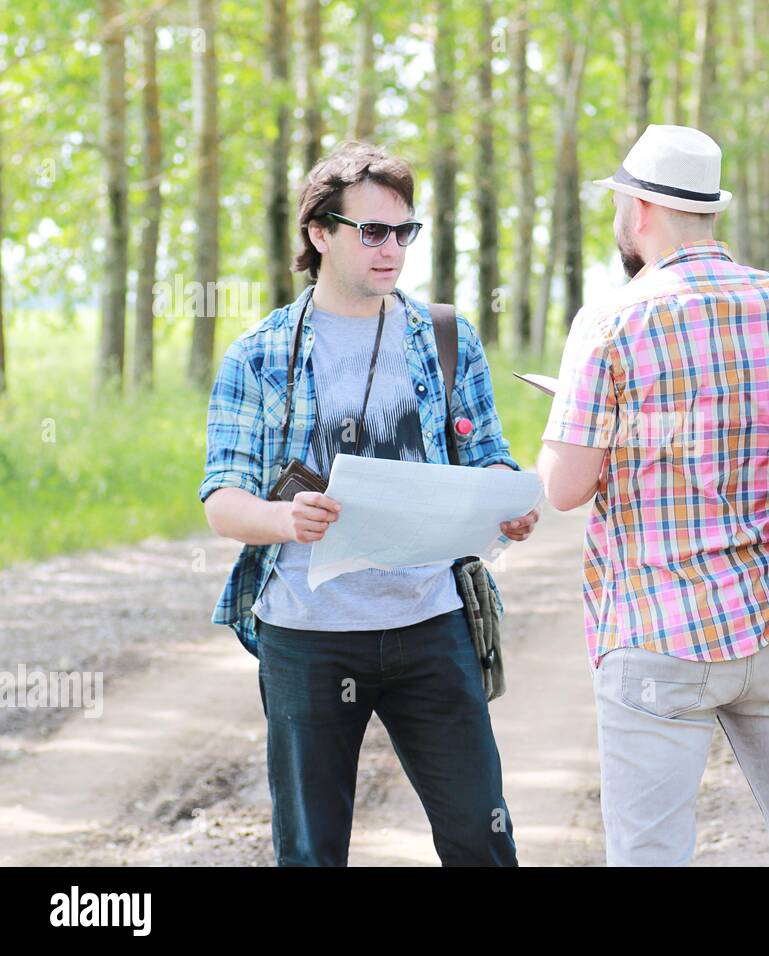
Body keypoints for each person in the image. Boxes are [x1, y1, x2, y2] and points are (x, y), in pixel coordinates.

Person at [200, 141, 538, 866]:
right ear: (320, 234)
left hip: (431, 626)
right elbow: (223, 501)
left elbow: (487, 457)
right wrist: (284, 519)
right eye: (372, 232)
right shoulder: (258, 355)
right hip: (308, 636)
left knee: (483, 838)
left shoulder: (445, 337)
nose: (392, 249)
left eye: (404, 232)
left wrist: (507, 502)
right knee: (312, 851)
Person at [537, 124, 769, 866]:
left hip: (659, 634)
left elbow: (564, 488)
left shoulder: (613, 320)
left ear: (640, 209)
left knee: (651, 854)